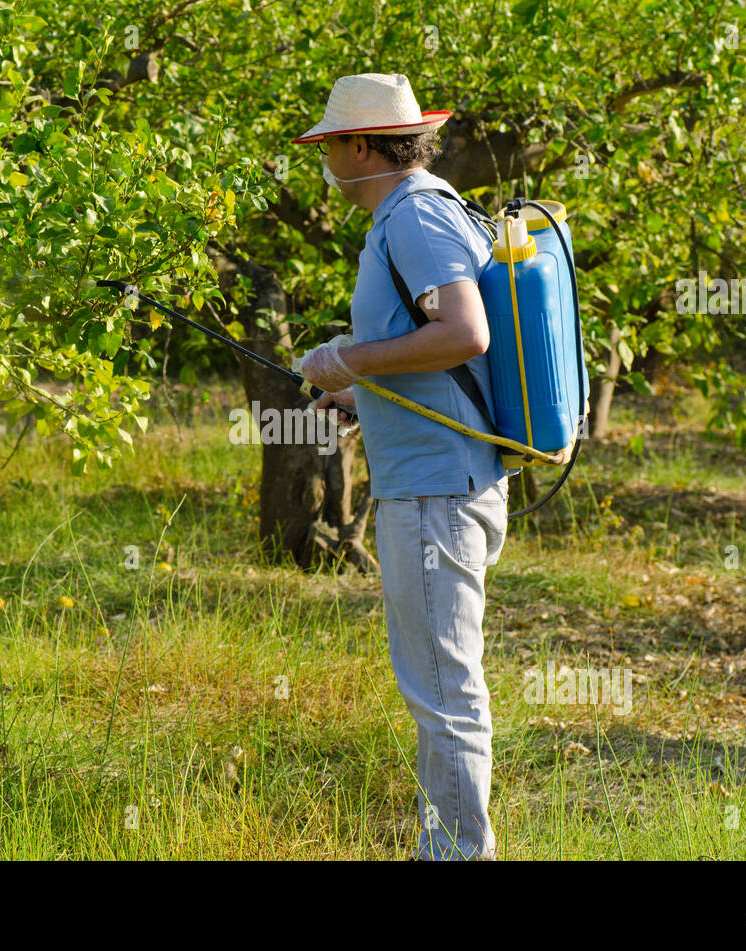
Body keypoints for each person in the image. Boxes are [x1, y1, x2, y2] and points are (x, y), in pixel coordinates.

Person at [291, 73, 513, 861]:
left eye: (329, 148)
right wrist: (364, 398)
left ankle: (456, 856)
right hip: (443, 477)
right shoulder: (423, 209)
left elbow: (464, 333)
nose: (325, 165)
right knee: (442, 688)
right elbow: (442, 361)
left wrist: (346, 359)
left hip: (436, 493)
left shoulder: (415, 213)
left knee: (444, 696)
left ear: (360, 145)